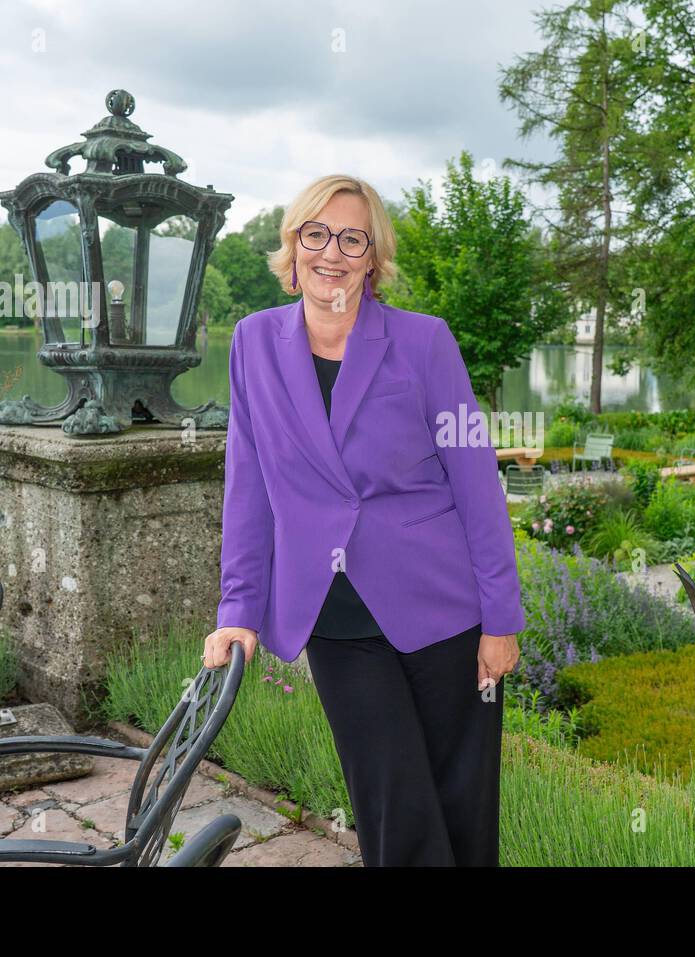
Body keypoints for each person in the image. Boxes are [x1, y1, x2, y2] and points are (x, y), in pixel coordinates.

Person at [201, 174, 525, 867]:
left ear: (373, 258)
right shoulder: (253, 343)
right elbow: (248, 487)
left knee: (463, 807)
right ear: (293, 246)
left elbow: (477, 482)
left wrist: (501, 619)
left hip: (444, 611)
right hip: (335, 620)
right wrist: (239, 610)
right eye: (316, 234)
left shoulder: (425, 342)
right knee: (393, 808)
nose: (332, 252)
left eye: (353, 239)